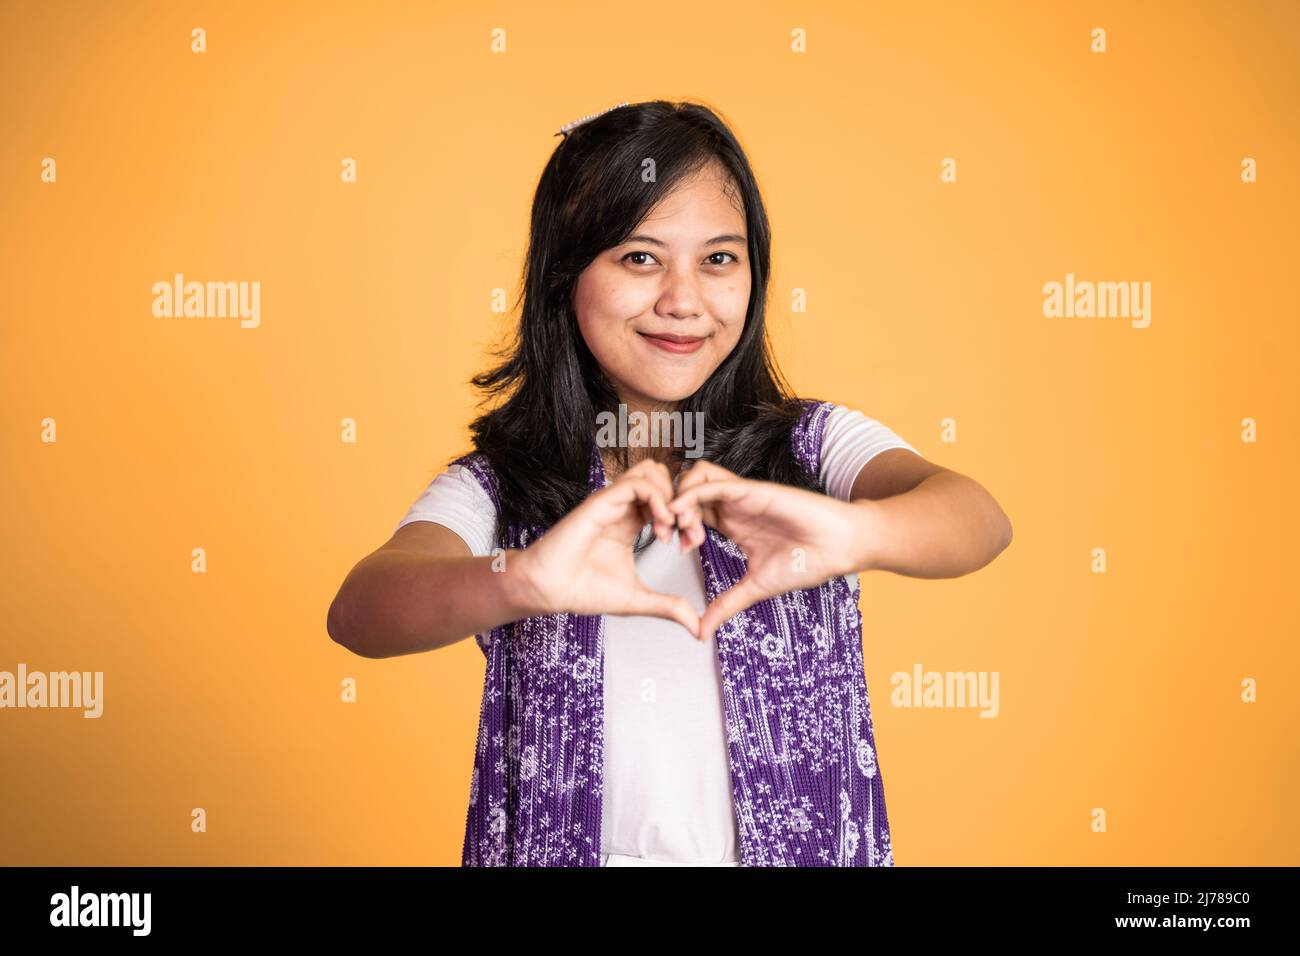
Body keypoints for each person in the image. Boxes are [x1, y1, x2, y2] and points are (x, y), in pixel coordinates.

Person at [327, 99, 1013, 867]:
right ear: (564, 279)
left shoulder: (811, 445)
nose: (683, 300)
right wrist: (519, 579)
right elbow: (361, 608)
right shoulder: (508, 484)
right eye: (640, 258)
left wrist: (858, 532)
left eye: (719, 259)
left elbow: (978, 519)